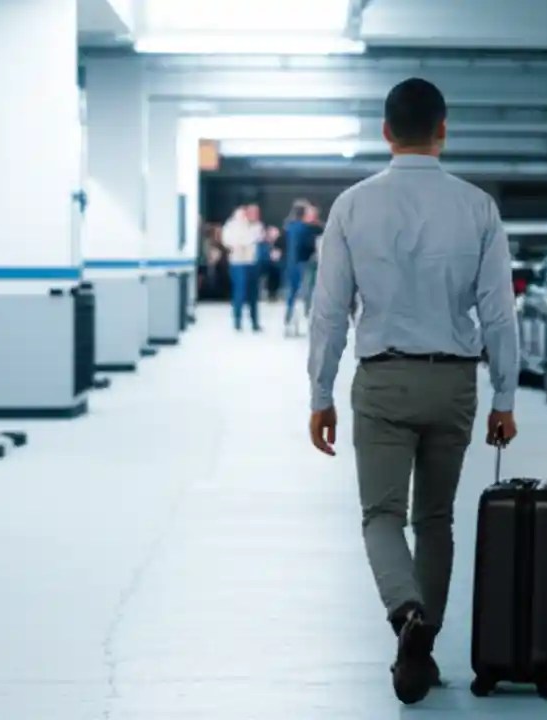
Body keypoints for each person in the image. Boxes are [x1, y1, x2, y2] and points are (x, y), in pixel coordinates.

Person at [306, 77, 519, 705]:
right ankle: (422, 649)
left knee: (380, 515)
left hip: (383, 381)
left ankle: (406, 617)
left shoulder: (352, 205)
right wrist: (504, 397)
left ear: (385, 131)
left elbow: (329, 310)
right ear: (444, 129)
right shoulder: (478, 207)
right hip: (454, 381)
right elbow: (499, 313)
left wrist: (320, 392)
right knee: (435, 519)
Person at [222, 203, 276, 332]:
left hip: (253, 262)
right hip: (238, 263)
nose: (256, 216)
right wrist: (247, 241)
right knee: (239, 292)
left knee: (253, 293)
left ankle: (255, 322)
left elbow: (261, 239)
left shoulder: (257, 226)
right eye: (253, 213)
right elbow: (229, 241)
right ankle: (237, 321)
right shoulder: (232, 225)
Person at [283, 201, 322, 335]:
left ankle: (290, 323)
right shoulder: (302, 228)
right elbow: (307, 246)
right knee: (303, 295)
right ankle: (297, 323)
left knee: (294, 294)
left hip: (295, 265)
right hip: (302, 265)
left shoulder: (293, 227)